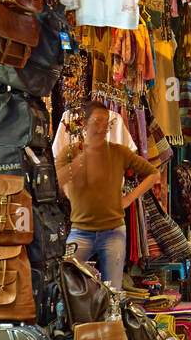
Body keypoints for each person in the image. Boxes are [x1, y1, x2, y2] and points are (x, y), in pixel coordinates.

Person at [57, 102, 159, 291]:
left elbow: (154, 174)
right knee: (67, 286)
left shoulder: (118, 152)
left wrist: (129, 198)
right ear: (85, 123)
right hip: (80, 231)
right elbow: (57, 182)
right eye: (97, 122)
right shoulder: (71, 152)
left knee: (112, 291)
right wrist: (81, 161)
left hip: (113, 232)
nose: (102, 128)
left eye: (106, 123)